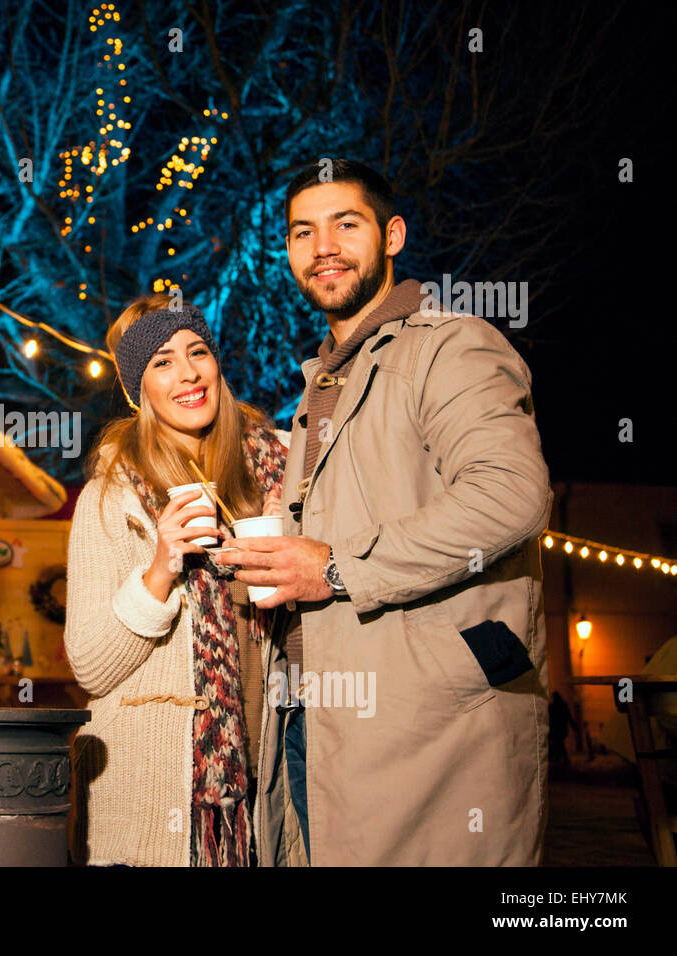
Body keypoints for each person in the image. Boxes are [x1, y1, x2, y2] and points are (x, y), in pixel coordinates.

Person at [221, 159, 552, 865]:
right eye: (303, 232)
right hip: (316, 717)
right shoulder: (319, 387)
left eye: (347, 224)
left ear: (392, 234)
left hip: (429, 730)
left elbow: (511, 495)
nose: (323, 247)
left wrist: (336, 567)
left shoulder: (452, 346)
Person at [63, 293, 286, 867]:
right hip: (152, 802)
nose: (188, 373)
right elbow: (89, 664)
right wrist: (160, 569)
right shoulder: (111, 497)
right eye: (161, 361)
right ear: (139, 390)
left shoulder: (281, 468)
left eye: (198, 352)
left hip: (272, 789)